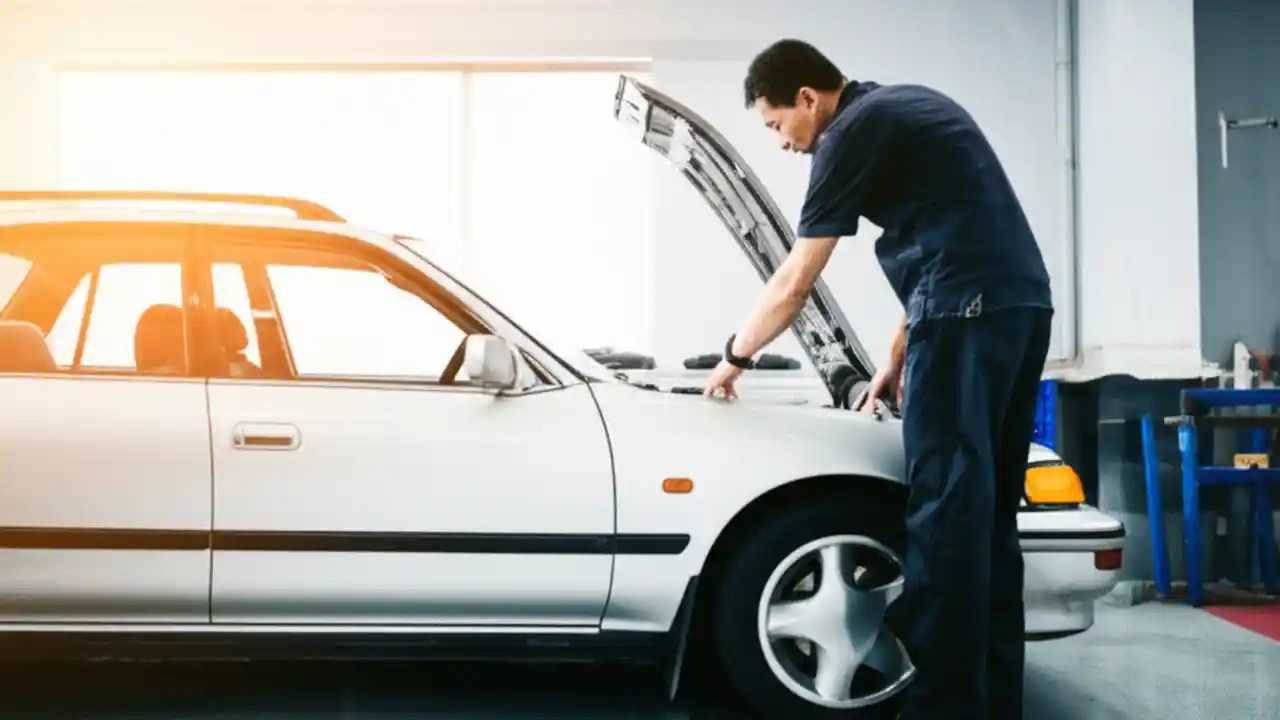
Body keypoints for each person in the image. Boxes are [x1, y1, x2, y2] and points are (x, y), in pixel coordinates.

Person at [703, 39, 1054, 720]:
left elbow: (794, 280)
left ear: (809, 98)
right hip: (1018, 307)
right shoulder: (907, 106)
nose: (782, 143)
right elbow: (944, 241)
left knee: (946, 516)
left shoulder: (850, 132)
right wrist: (897, 355)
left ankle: (940, 708)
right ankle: (991, 700)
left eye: (777, 125)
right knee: (986, 522)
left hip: (965, 312)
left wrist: (733, 358)